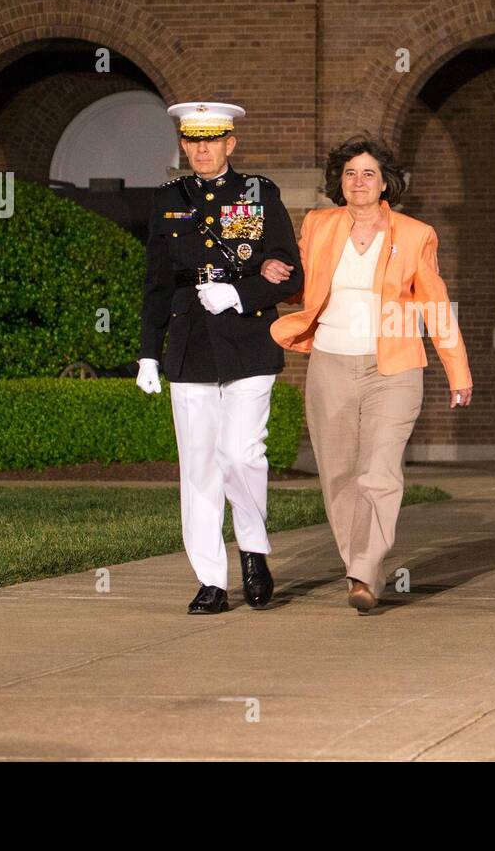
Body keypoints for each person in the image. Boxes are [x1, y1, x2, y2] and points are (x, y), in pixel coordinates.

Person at [263, 135, 472, 615]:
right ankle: (357, 563)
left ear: (385, 183)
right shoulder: (318, 225)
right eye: (350, 173)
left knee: (379, 471)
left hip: (393, 368)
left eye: (368, 173)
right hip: (331, 363)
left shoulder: (415, 234)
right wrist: (273, 268)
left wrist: (457, 370)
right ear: (340, 181)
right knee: (338, 474)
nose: (358, 182)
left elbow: (435, 305)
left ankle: (364, 570)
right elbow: (299, 287)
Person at [136, 102, 303, 614]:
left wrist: (240, 294)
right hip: (189, 346)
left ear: (231, 143)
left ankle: (254, 552)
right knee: (199, 467)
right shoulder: (169, 198)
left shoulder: (259, 194)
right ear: (184, 145)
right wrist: (148, 353)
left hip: (249, 341)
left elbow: (292, 276)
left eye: (213, 140)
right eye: (193, 141)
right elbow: (158, 283)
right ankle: (211, 578)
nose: (202, 150)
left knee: (241, 455)